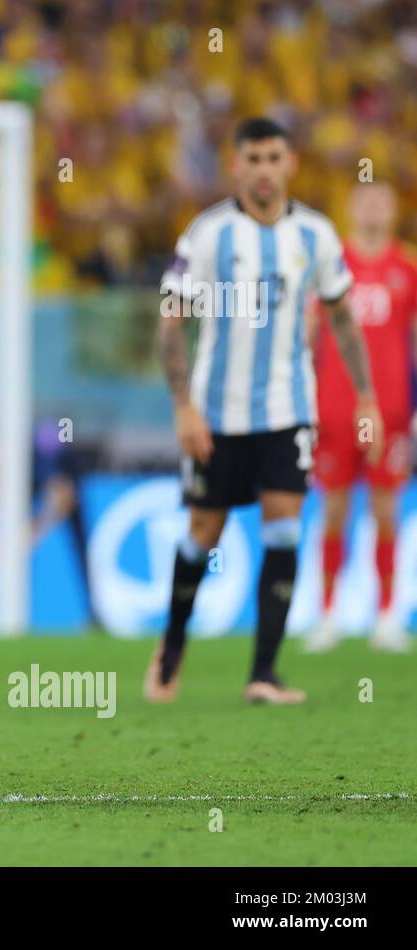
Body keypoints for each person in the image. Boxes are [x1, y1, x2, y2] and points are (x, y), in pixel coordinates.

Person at [147, 117, 379, 704]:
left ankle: (264, 674)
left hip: (287, 410)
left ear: (290, 163)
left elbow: (342, 318)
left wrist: (366, 395)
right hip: (215, 414)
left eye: (274, 157)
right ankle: (170, 651)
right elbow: (171, 324)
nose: (264, 169)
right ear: (236, 166)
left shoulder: (316, 235)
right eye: (253, 159)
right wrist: (182, 407)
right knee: (203, 534)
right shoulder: (207, 234)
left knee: (283, 527)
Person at [306, 182, 417, 654]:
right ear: (350, 208)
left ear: (393, 210)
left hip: (390, 410)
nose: (373, 208)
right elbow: (309, 334)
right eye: (365, 201)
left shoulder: (408, 267)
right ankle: (327, 614)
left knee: (386, 512)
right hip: (335, 408)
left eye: (381, 201)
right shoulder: (330, 266)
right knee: (333, 511)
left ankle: (387, 615)